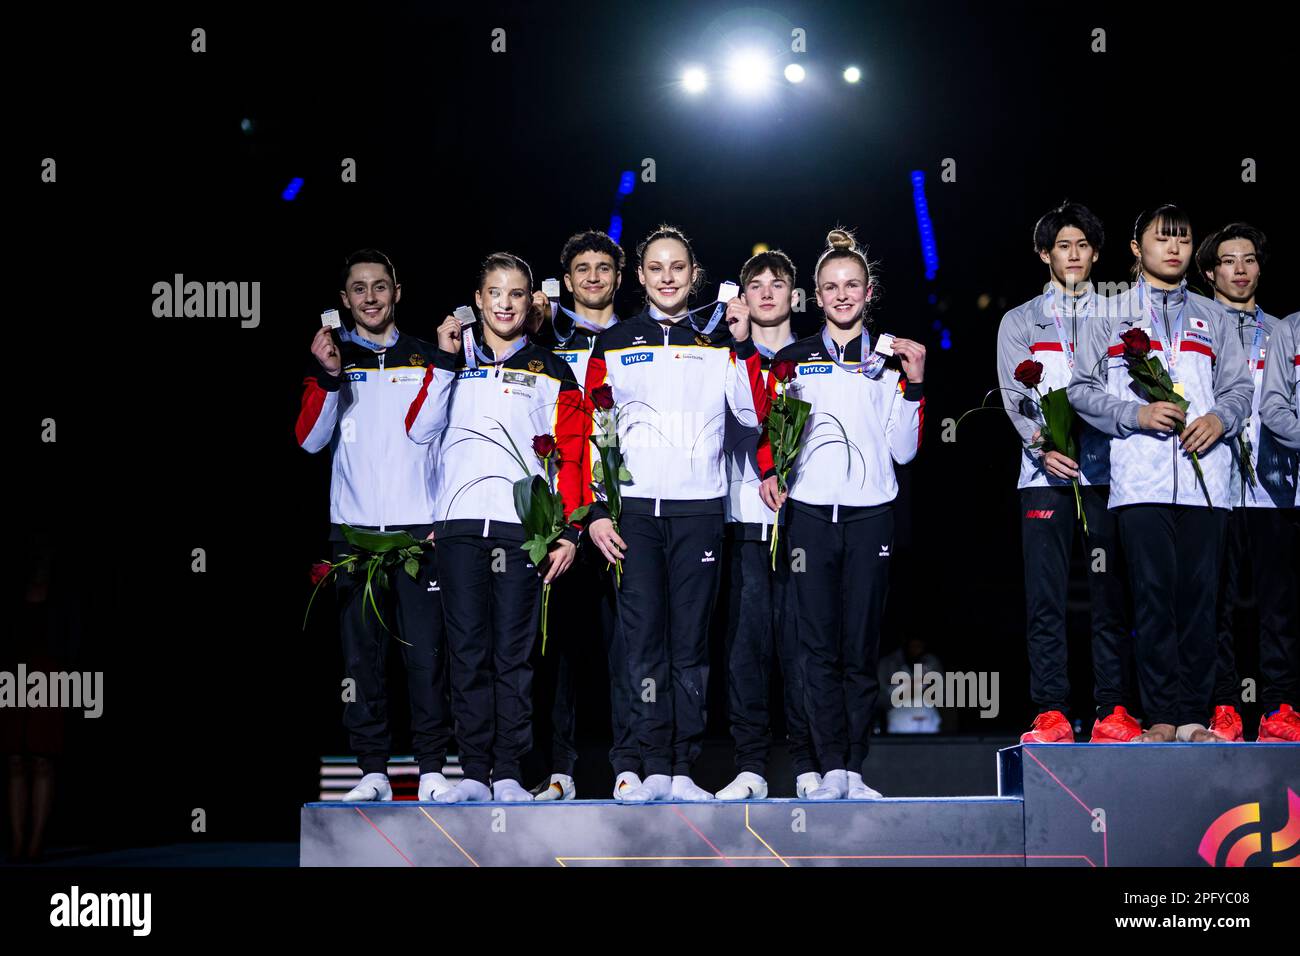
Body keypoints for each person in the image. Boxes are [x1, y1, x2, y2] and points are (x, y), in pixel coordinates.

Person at [583, 225, 768, 802]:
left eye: (678, 268)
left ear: (694, 276)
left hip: (699, 512)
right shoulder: (613, 341)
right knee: (641, 645)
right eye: (656, 267)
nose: (667, 277)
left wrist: (741, 345)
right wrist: (596, 510)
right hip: (634, 513)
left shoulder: (717, 338)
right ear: (639, 277)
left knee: (690, 646)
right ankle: (643, 764)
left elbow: (751, 413)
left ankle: (681, 770)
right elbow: (594, 428)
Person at [1069, 206, 1253, 743]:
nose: (1174, 248)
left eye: (1184, 240)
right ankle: (1160, 718)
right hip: (1141, 482)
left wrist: (1220, 418)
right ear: (1135, 247)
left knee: (1200, 602)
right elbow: (1081, 389)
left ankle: (1194, 717)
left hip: (1207, 483)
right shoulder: (1108, 314)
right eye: (1161, 238)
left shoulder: (1213, 316)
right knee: (1150, 601)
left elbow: (1241, 390)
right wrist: (1135, 415)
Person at [406, 251, 585, 802]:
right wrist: (441, 360)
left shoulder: (552, 368)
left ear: (528, 302)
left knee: (514, 654)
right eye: (494, 293)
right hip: (458, 529)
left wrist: (569, 530)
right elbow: (419, 432)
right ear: (477, 300)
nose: (504, 304)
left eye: (515, 294)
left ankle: (508, 772)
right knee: (467, 653)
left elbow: (575, 455)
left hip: (520, 529)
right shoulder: (451, 362)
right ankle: (475, 773)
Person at [757, 227, 927, 799]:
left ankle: (853, 770)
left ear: (869, 290)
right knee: (816, 649)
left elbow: (903, 450)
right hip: (808, 516)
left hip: (871, 515)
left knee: (859, 649)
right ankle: (827, 767)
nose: (843, 295)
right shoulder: (792, 358)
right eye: (831, 287)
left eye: (852, 284)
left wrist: (916, 384)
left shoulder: (890, 359)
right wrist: (771, 472)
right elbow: (773, 436)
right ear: (816, 294)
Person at [296, 249, 452, 802]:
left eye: (379, 286)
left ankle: (433, 767)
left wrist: (442, 519)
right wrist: (330, 377)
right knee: (361, 663)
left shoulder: (428, 358)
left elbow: (442, 440)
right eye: (358, 288)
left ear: (397, 291)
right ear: (343, 300)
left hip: (419, 533)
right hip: (355, 536)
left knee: (427, 657)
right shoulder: (335, 362)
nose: (370, 297)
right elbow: (310, 441)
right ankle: (372, 772)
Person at [995, 201, 1137, 744]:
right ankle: (1052, 711)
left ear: (1096, 253)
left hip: (1108, 475)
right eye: (1063, 246)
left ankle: (1114, 710)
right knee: (1046, 597)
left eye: (1082, 246)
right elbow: (1014, 396)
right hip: (1043, 477)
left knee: (1109, 595)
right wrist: (1041, 444)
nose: (1073, 255)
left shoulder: (1122, 314)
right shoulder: (1020, 320)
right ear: (1044, 254)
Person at [527, 229, 635, 800]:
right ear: (565, 281)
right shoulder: (544, 340)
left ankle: (631, 767)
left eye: (603, 268)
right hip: (562, 514)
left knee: (632, 647)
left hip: (625, 510)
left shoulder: (637, 339)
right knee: (558, 649)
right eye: (582, 269)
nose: (593, 277)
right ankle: (559, 772)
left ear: (619, 278)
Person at [715, 249, 819, 800]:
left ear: (794, 295)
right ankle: (751, 767)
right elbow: (748, 418)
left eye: (779, 283)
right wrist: (736, 347)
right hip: (745, 519)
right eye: (756, 284)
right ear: (742, 296)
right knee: (745, 649)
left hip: (806, 521)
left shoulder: (815, 356)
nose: (768, 293)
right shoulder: (725, 357)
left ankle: (808, 765)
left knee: (802, 649)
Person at [1195, 224, 1300, 742]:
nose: (1240, 269)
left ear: (1260, 267)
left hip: (1274, 491)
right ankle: (1223, 707)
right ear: (1209, 271)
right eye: (1227, 260)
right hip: (1213, 488)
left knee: (1279, 606)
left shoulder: (1285, 332)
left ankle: (1281, 707)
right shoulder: (1193, 331)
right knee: (1216, 604)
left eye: (1249, 259)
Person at [1253, 310, 1300, 740]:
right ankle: (1280, 707)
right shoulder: (1289, 330)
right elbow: (1272, 406)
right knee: (1281, 605)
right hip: (1289, 495)